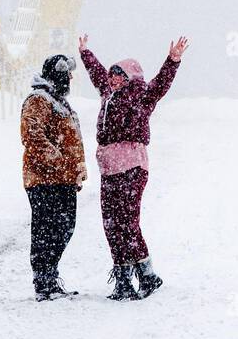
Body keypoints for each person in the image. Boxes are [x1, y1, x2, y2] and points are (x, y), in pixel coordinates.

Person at [78, 32, 187, 300]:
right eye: (112, 75)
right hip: (109, 169)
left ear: (129, 78)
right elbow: (96, 72)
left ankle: (147, 275)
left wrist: (172, 60)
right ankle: (126, 280)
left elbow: (161, 83)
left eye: (118, 75)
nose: (113, 79)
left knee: (128, 223)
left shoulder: (141, 95)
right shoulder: (107, 92)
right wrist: (85, 53)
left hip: (132, 167)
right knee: (111, 224)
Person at [20, 53, 86, 301]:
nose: (70, 78)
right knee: (46, 230)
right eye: (67, 74)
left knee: (65, 227)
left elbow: (72, 139)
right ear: (57, 73)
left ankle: (50, 276)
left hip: (63, 179)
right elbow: (32, 136)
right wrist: (59, 162)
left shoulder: (59, 101)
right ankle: (43, 282)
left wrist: (77, 169)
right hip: (43, 179)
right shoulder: (39, 99)